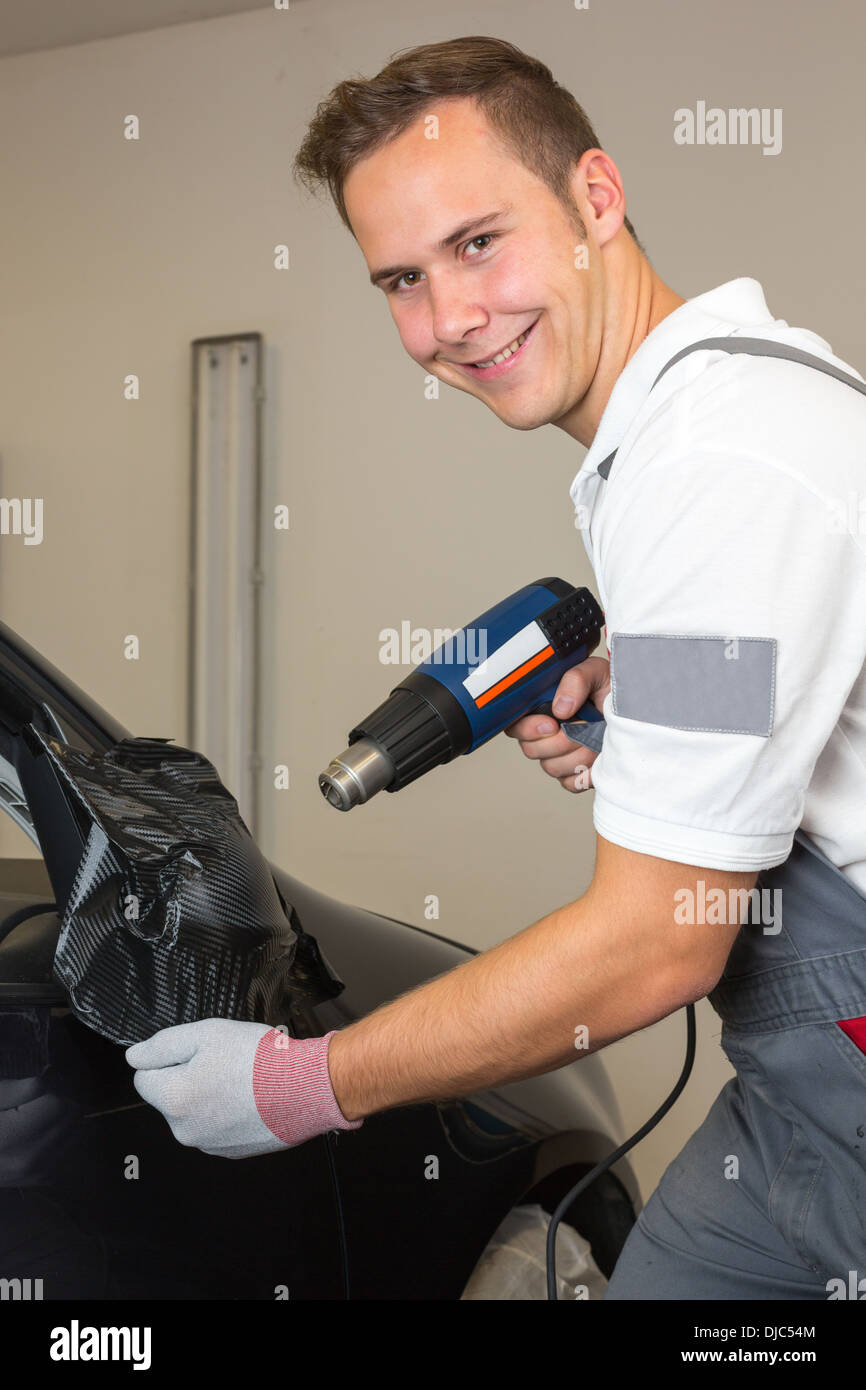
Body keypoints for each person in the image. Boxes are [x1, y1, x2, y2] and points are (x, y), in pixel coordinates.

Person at [125, 36, 866, 1298]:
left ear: (595, 197)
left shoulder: (712, 461)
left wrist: (303, 1082)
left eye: (479, 243)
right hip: (790, 1105)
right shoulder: (695, 423)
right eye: (400, 279)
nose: (448, 321)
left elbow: (651, 949)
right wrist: (650, 707)